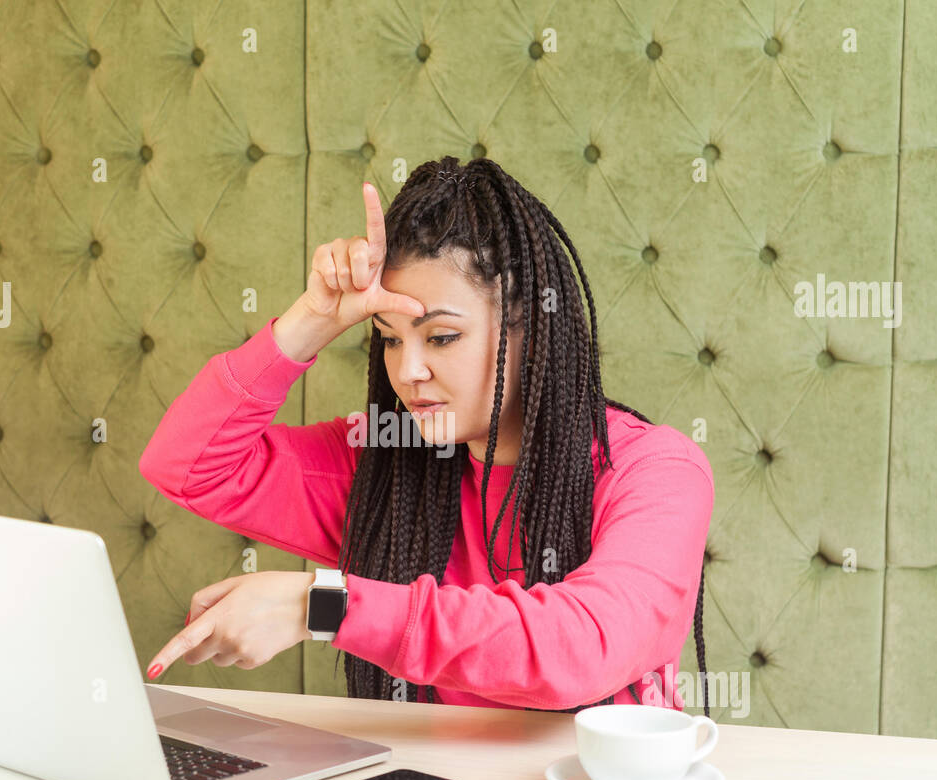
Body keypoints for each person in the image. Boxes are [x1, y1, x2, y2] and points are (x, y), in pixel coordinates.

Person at [138, 156, 713, 714]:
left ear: (531, 333)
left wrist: (324, 605)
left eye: (440, 337)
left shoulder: (655, 471)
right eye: (389, 338)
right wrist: (311, 318)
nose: (407, 370)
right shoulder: (386, 468)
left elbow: (582, 647)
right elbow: (186, 465)